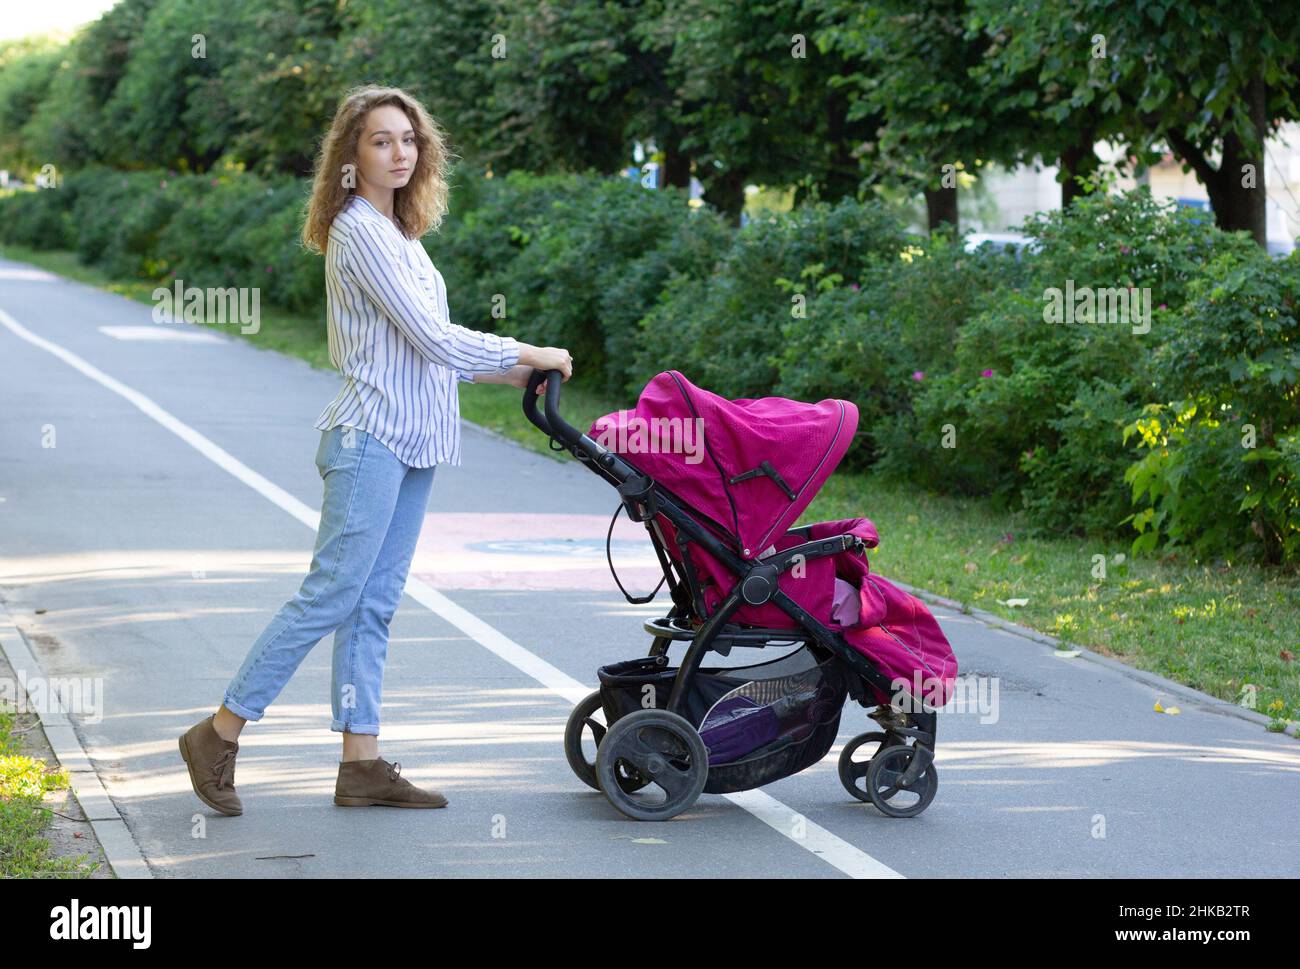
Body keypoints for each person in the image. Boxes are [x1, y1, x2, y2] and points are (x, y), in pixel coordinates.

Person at [179, 84, 572, 816]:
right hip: (370, 439)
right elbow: (432, 338)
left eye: (408, 139)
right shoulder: (358, 230)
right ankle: (219, 730)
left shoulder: (404, 238)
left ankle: (361, 763)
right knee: (331, 592)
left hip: (413, 443)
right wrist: (528, 345)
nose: (399, 152)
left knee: (374, 604)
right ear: (351, 159)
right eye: (380, 140)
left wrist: (518, 370)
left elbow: (432, 350)